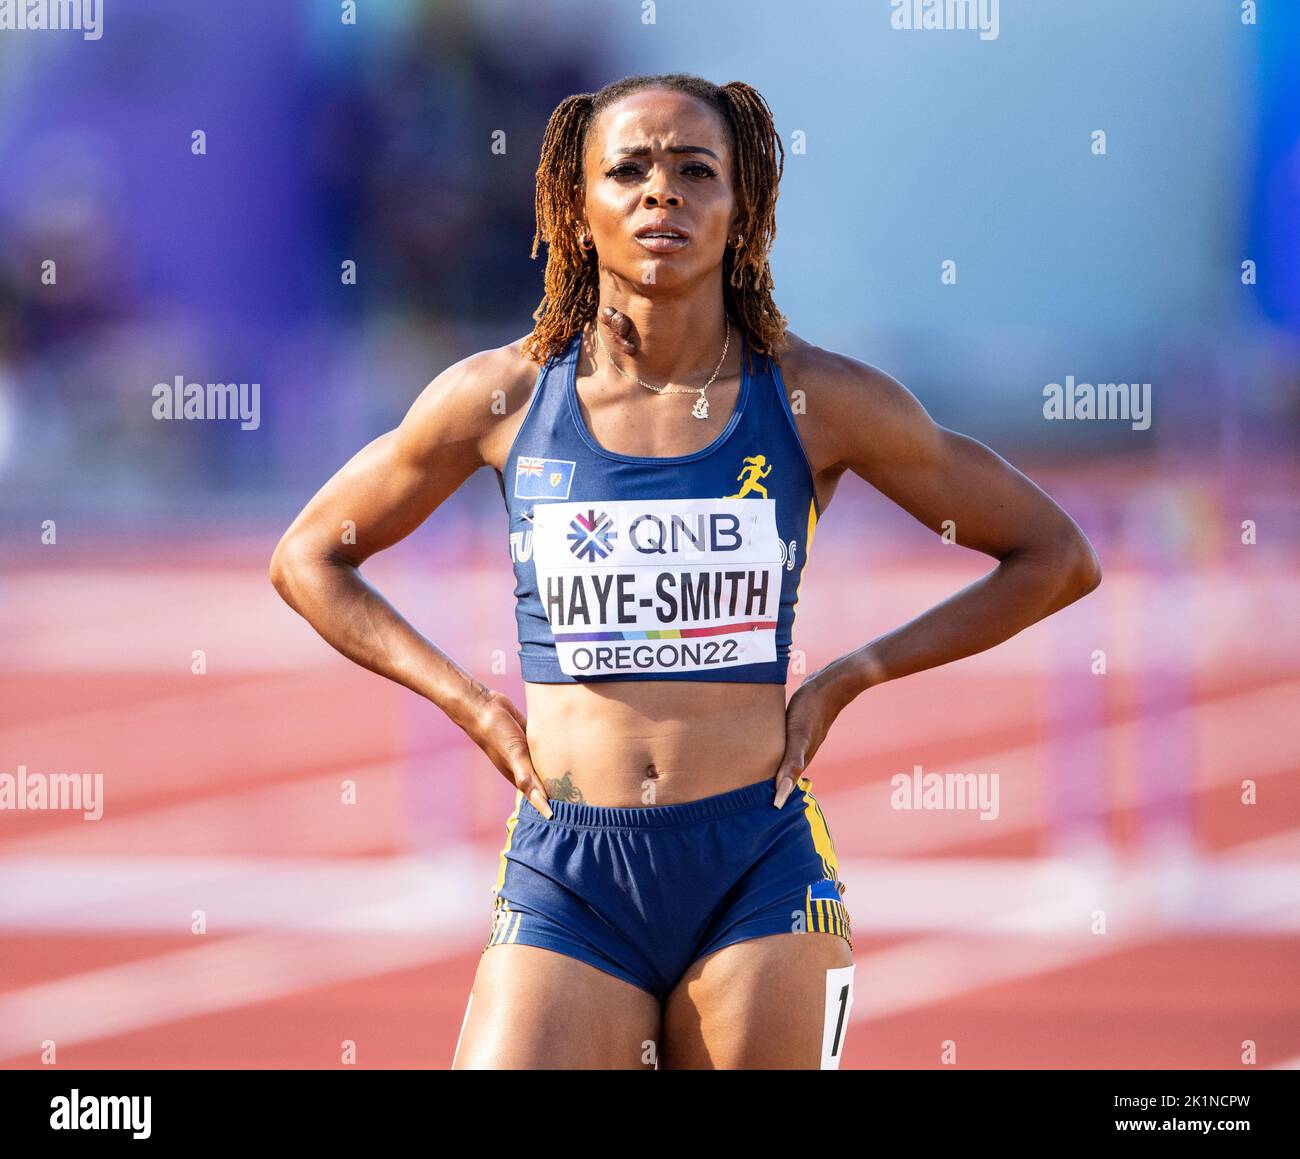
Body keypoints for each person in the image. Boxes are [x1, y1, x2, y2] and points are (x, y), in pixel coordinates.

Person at [269, 72, 1102, 1070]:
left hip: (756, 864)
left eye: (694, 170)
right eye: (627, 170)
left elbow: (1053, 554)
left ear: (740, 209)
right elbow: (309, 557)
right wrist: (472, 705)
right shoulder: (499, 399)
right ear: (573, 210)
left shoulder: (813, 400)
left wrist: (850, 675)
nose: (660, 192)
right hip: (568, 865)